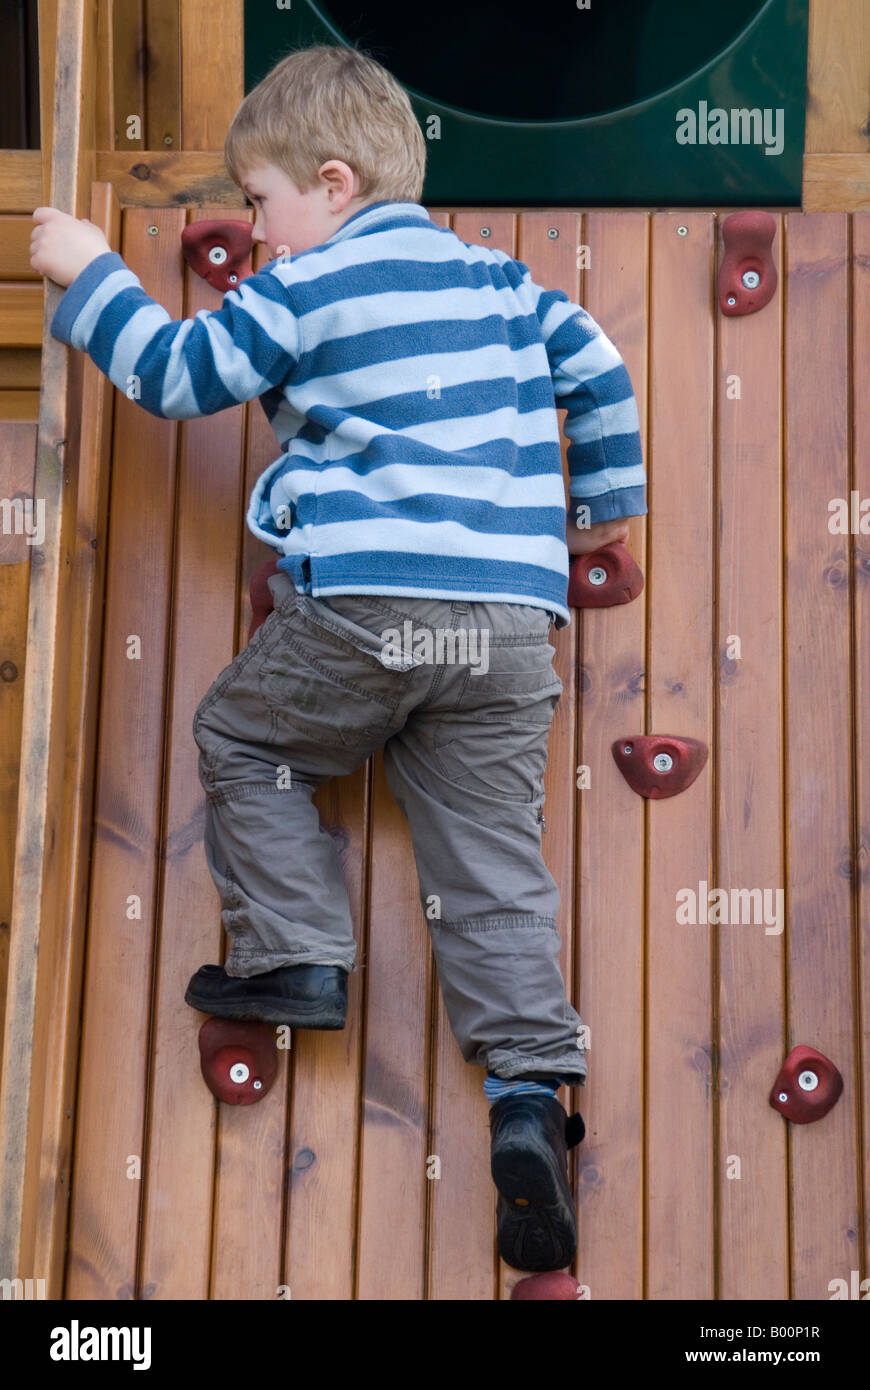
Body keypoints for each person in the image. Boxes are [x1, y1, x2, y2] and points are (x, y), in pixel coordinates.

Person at [31, 42, 646, 1275]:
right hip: (506, 633)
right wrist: (603, 508)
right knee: (491, 868)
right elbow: (598, 362)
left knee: (244, 736)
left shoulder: (306, 288)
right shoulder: (505, 283)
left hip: (371, 611)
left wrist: (88, 270)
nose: (255, 236)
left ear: (331, 179)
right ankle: (528, 1094)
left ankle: (295, 952)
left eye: (258, 204)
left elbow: (170, 373)